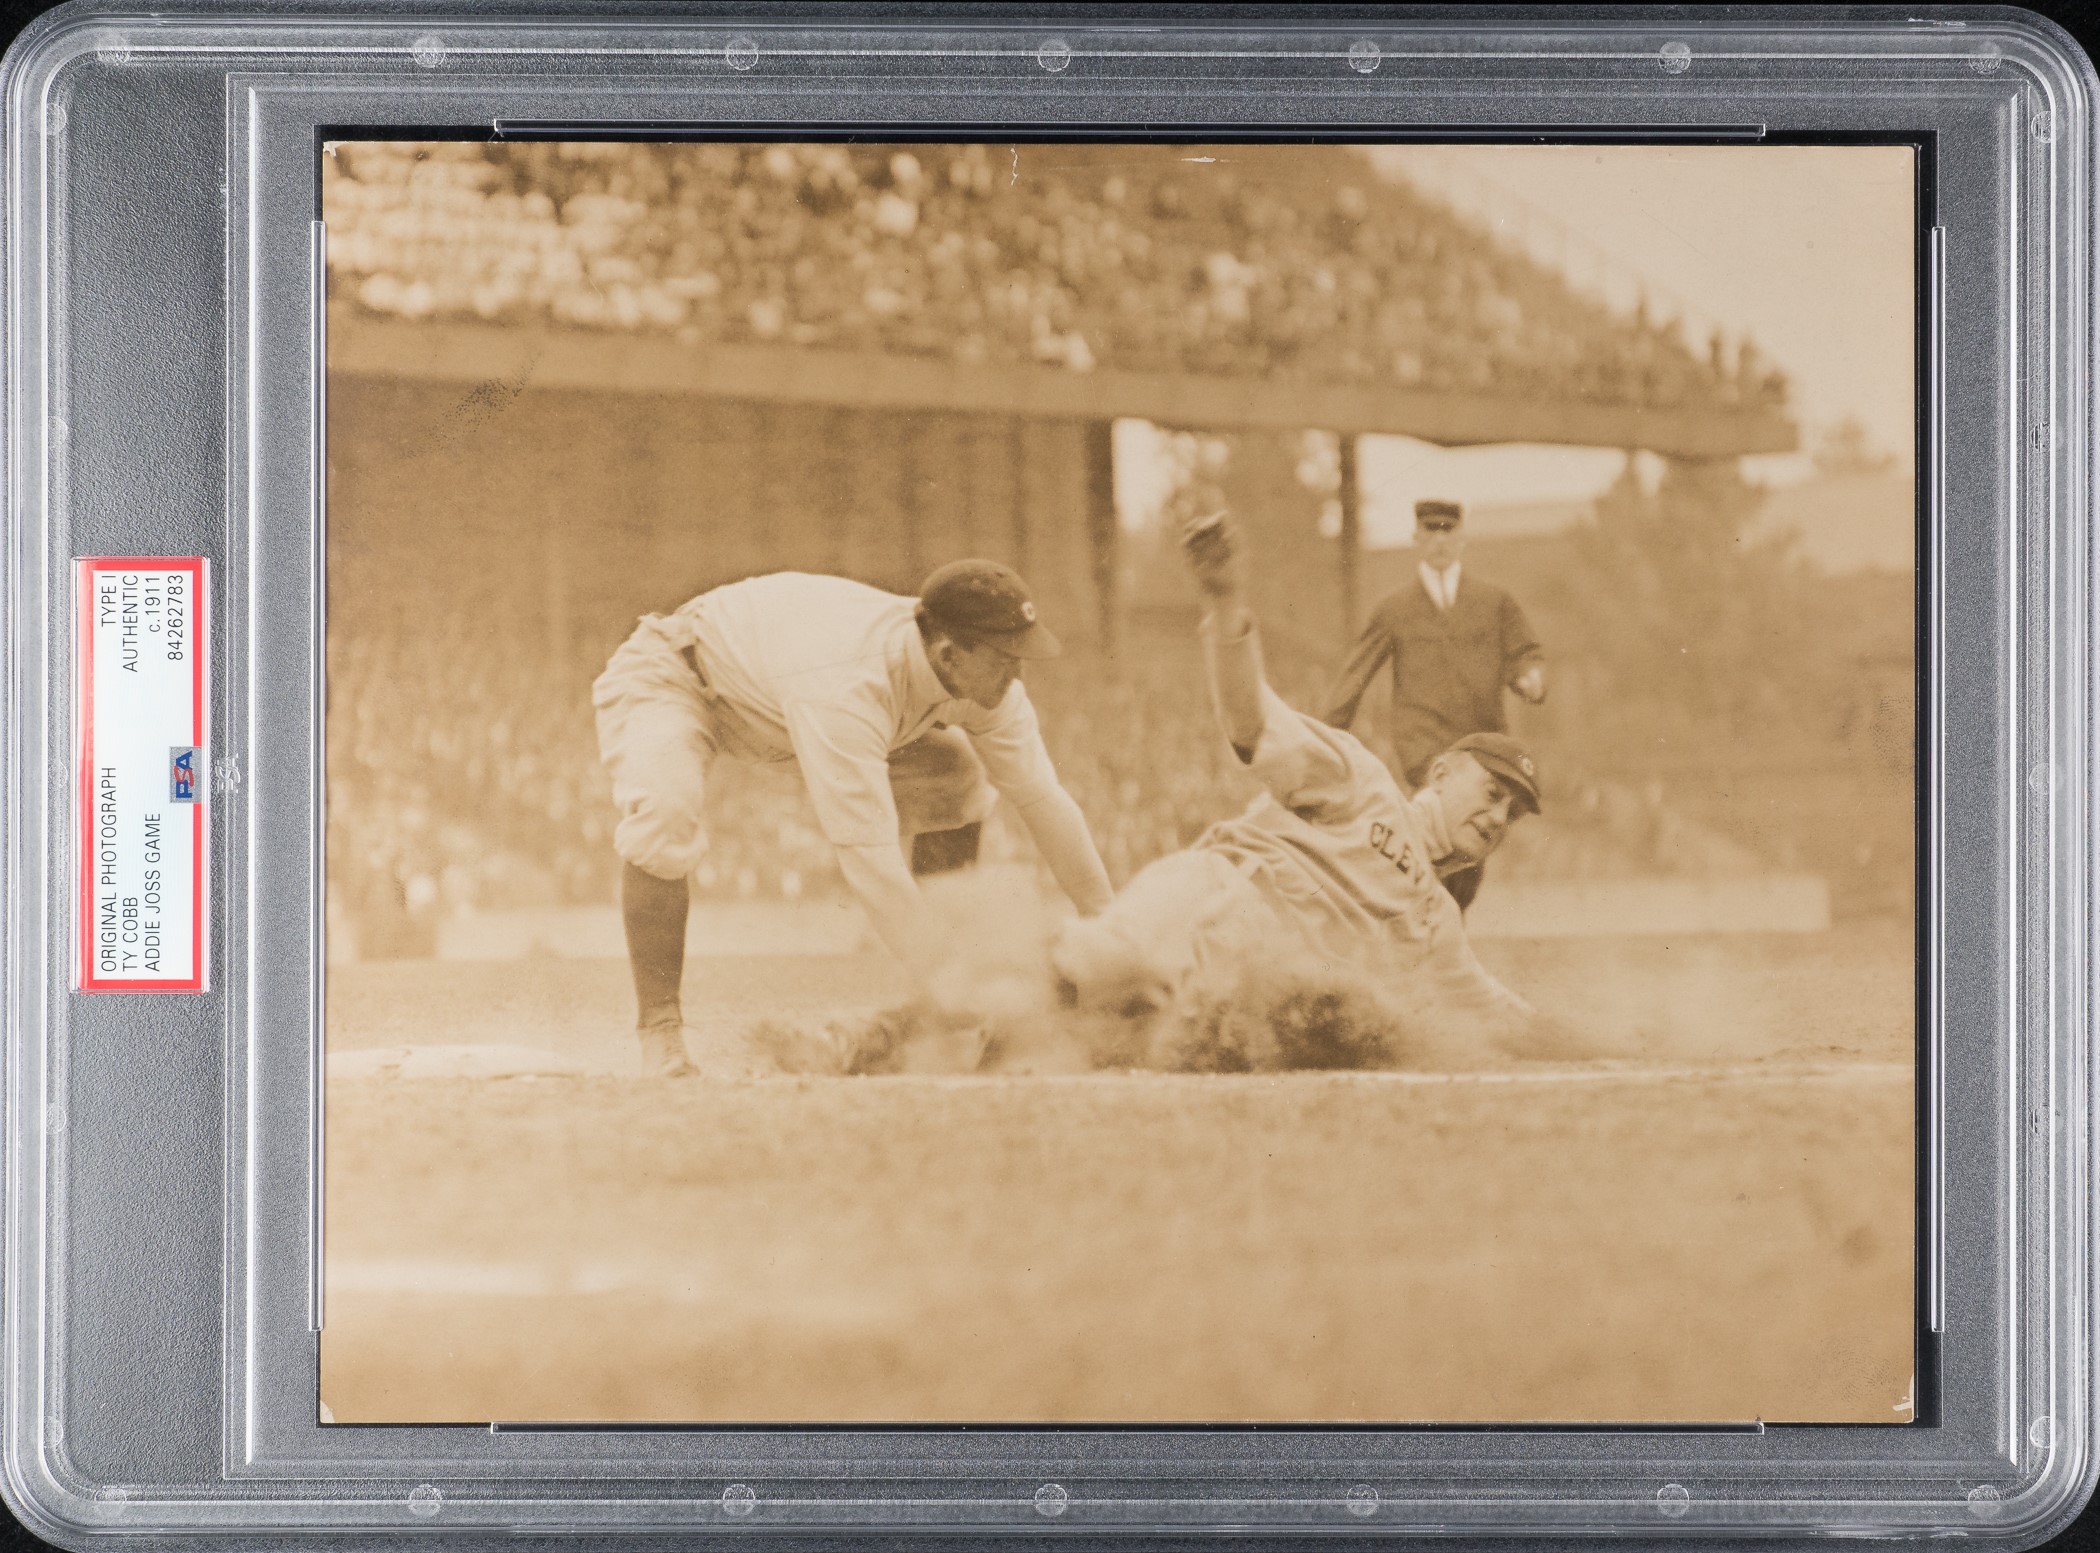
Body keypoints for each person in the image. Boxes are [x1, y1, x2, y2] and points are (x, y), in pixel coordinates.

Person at [593, 560, 1115, 1075]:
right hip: (678, 673)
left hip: (782, 694)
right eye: (1006, 658)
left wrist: (1114, 931)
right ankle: (660, 1033)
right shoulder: (849, 686)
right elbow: (872, 867)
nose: (1018, 672)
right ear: (950, 654)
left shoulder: (980, 684)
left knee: (957, 778)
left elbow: (1044, 801)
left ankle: (945, 1007)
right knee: (666, 810)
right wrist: (957, 985)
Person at [1048, 510, 1540, 1034]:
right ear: (1441, 772)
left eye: (1510, 813)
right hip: (1217, 901)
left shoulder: (1440, 924)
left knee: (1120, 1035)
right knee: (1097, 967)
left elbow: (1500, 1013)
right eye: (1491, 791)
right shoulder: (1362, 781)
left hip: (1248, 981)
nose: (1496, 816)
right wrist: (1225, 602)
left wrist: (1599, 1042)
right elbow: (1251, 720)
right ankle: (976, 990)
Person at [1321, 498, 1546, 910]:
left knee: (1468, 853)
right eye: (1431, 531)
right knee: (1441, 831)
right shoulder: (1395, 610)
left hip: (1483, 750)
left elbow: (1524, 653)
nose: (1440, 540)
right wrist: (1322, 738)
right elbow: (1355, 676)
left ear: (1461, 539)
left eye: (1448, 531)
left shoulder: (1494, 602)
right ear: (1417, 539)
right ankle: (1424, 928)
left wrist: (1529, 677)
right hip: (1426, 750)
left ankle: (1441, 931)